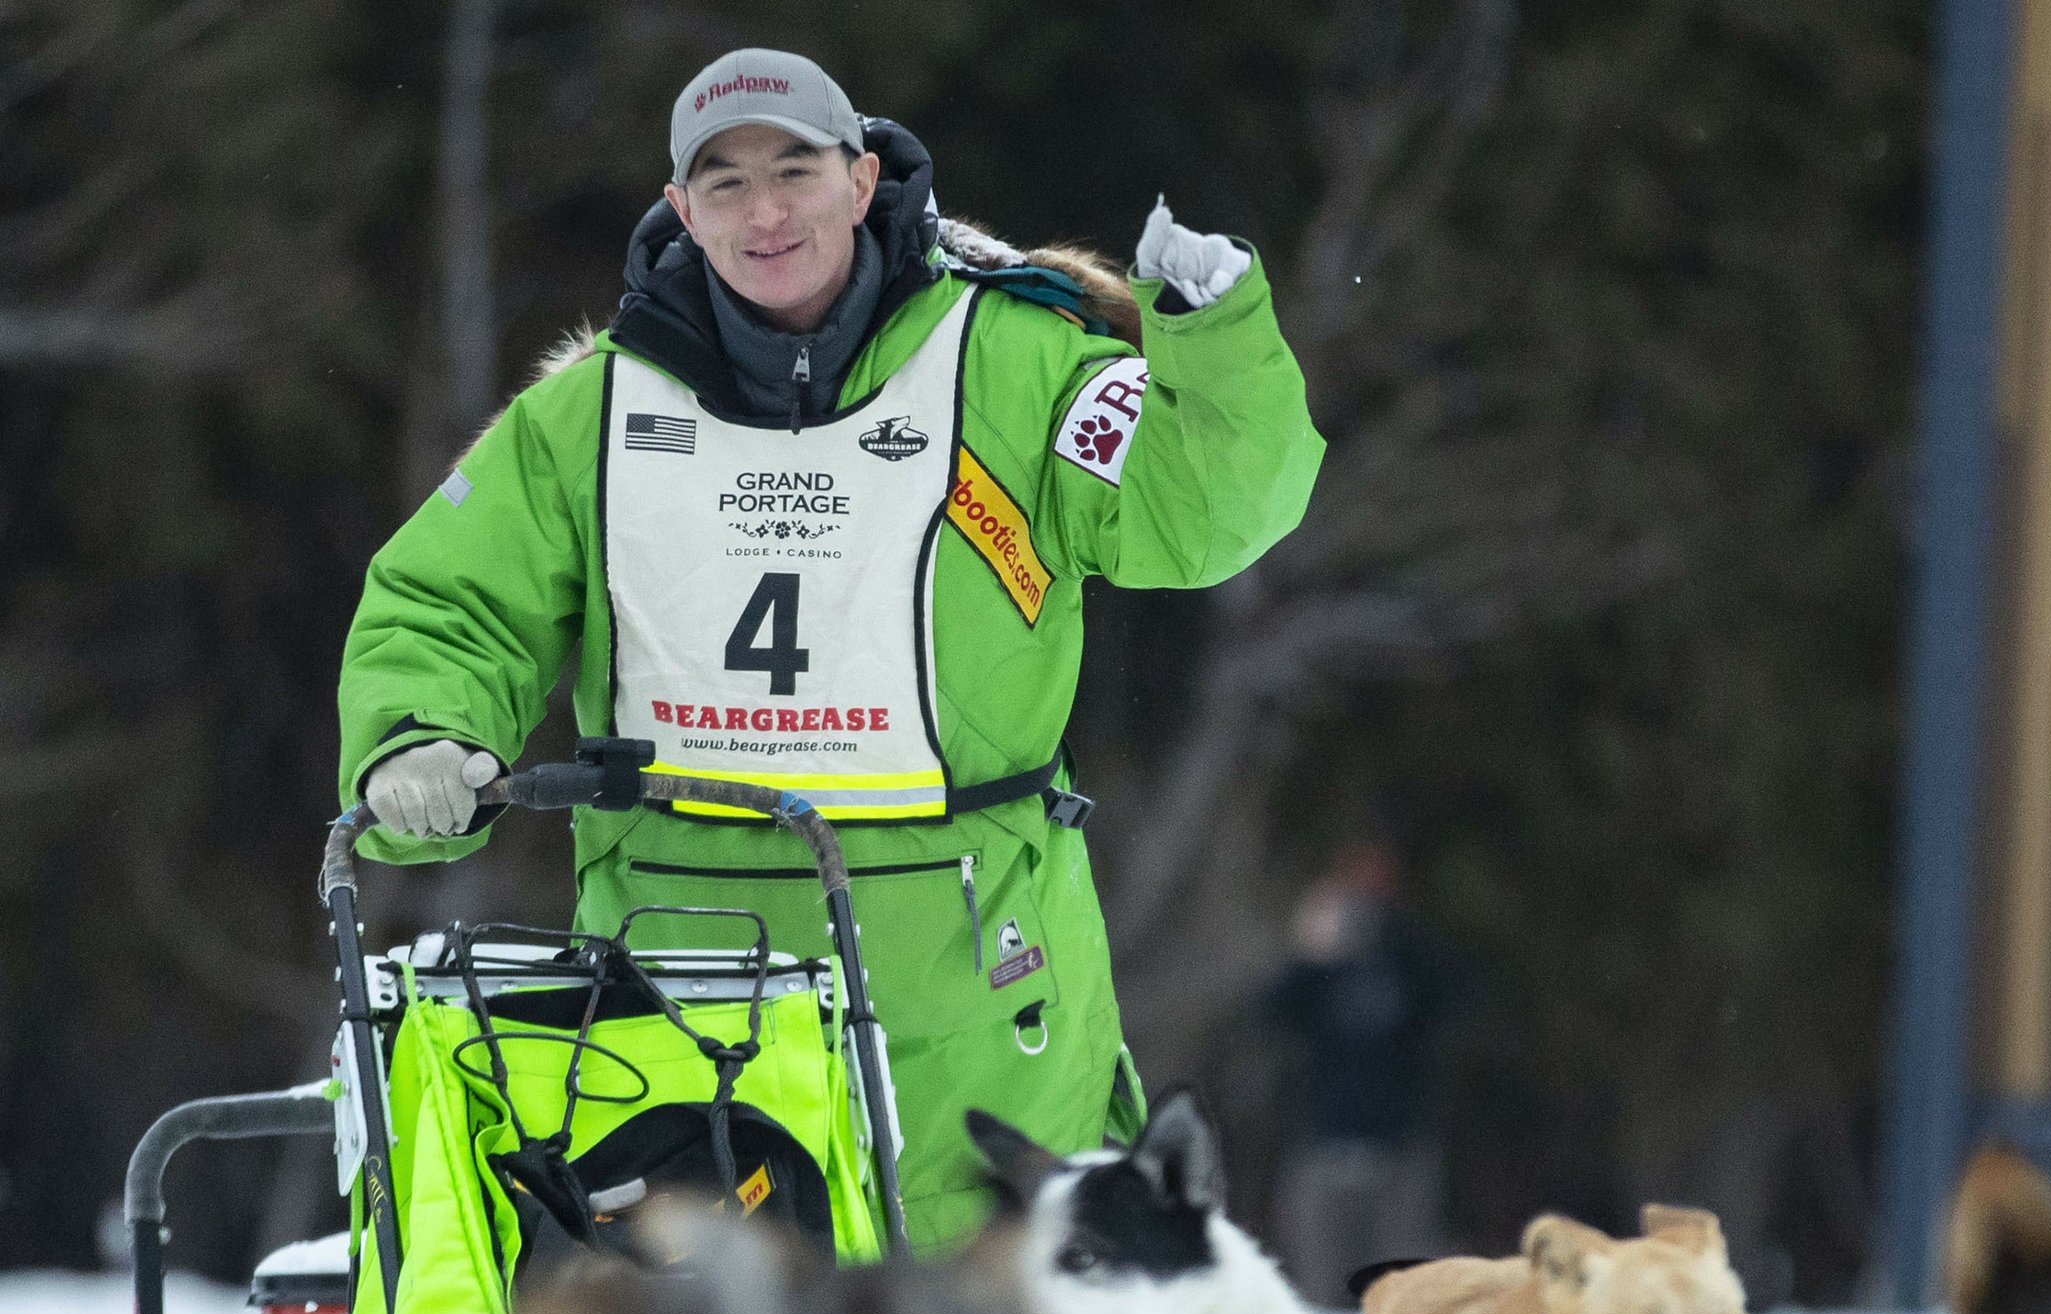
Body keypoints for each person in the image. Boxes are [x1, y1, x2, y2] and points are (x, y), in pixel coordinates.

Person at [337, 48, 1322, 1251]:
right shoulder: (589, 416)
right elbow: (451, 601)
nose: (765, 212)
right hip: (682, 991)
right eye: (726, 183)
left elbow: (1206, 512)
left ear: (861, 183)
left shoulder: (1010, 365)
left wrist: (1212, 338)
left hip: (970, 981)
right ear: (681, 213)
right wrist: (419, 738)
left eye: (794, 170)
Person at [1260, 845, 1459, 1300]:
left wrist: (1403, 933)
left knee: (1401, 1287)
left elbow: (1453, 999)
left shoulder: (1411, 954)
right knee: (1320, 1284)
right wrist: (1312, 950)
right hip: (1325, 1142)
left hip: (1400, 1145)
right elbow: (1271, 1013)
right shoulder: (1322, 962)